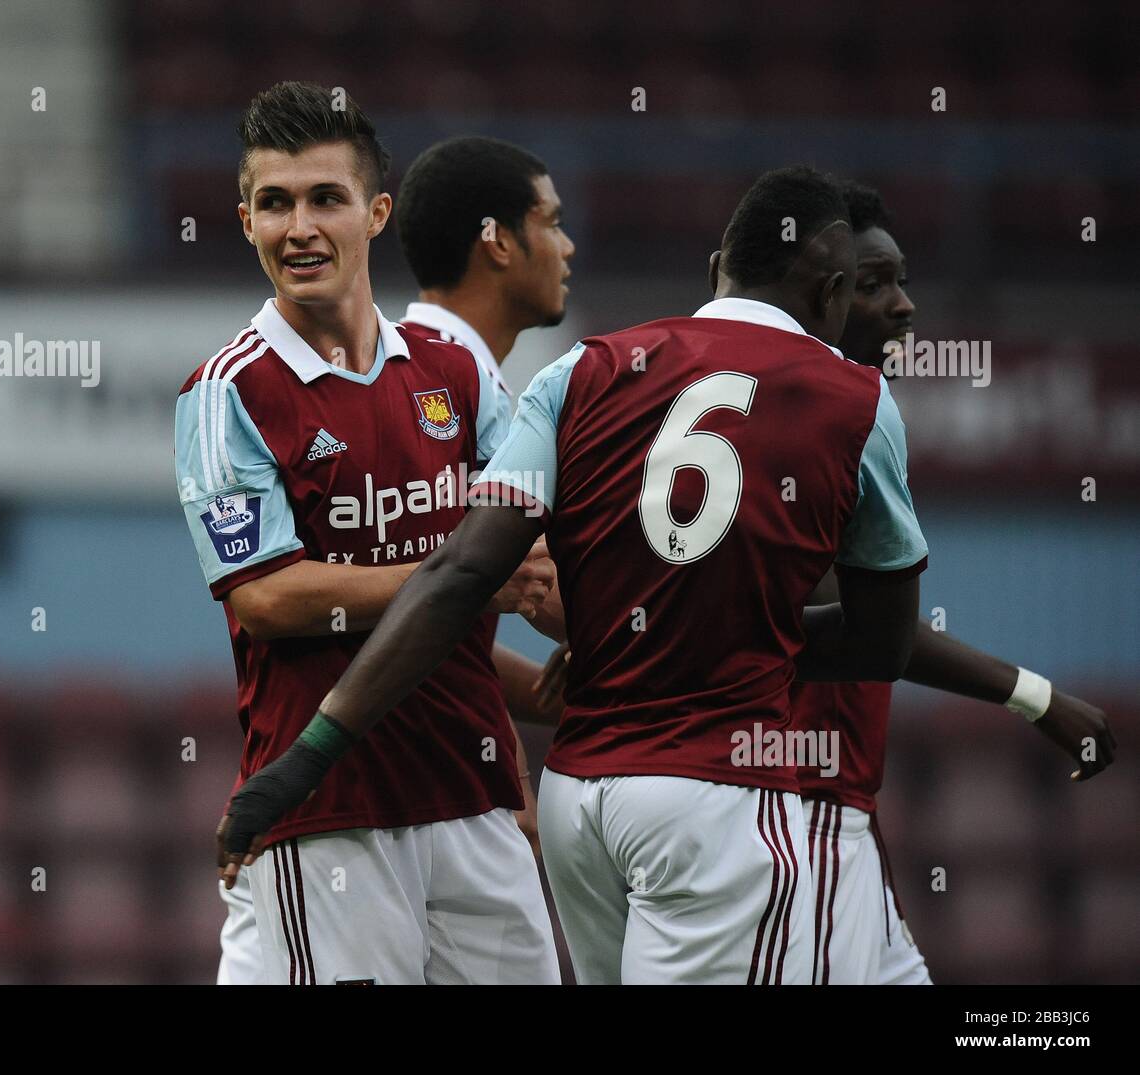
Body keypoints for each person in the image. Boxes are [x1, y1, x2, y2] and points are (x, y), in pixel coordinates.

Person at [220, 166, 931, 984]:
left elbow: (456, 577)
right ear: (835, 290)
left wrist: (308, 753)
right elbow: (884, 639)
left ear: (714, 273)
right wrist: (733, 637)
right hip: (714, 788)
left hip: (579, 800)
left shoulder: (577, 373)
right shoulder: (857, 399)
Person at [178, 81, 560, 984]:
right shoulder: (226, 391)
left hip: (475, 807)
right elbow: (268, 598)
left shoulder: (453, 368)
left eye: (325, 199)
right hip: (331, 816)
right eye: (274, 203)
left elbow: (530, 565)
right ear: (244, 221)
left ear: (376, 212)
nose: (299, 226)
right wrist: (460, 571)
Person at [792, 178, 1116, 985]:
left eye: (902, 280)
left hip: (842, 819)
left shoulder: (853, 414)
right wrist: (1037, 697)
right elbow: (867, 629)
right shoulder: (804, 430)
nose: (904, 306)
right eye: (873, 286)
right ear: (821, 296)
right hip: (789, 817)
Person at [397, 134, 575, 855]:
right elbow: (531, 586)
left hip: (436, 787)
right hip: (427, 801)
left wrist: (552, 699)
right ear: (498, 242)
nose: (566, 247)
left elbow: (436, 619)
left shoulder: (417, 374)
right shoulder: (458, 396)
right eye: (552, 222)